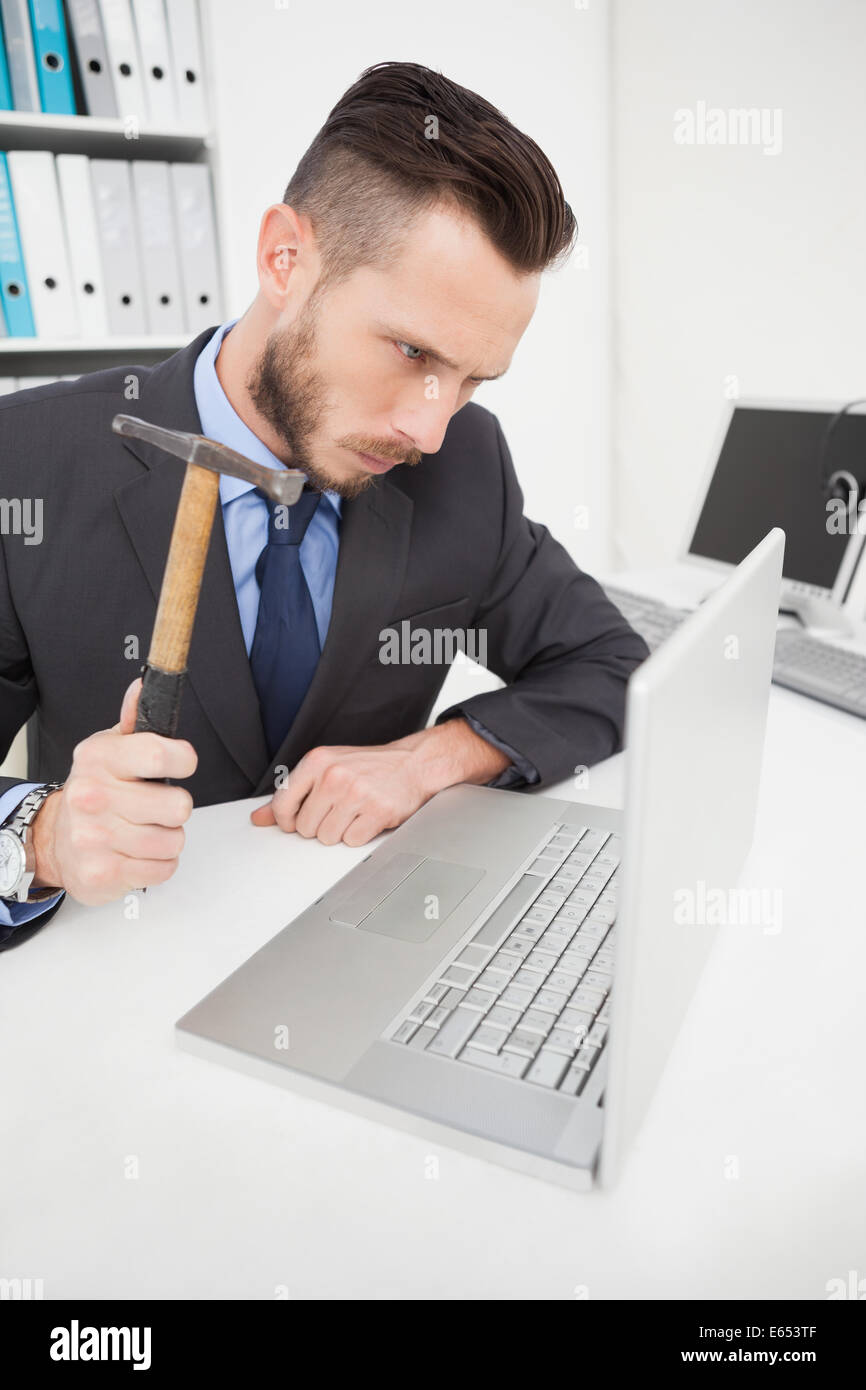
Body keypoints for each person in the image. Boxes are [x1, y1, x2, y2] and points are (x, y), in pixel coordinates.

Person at [0, 61, 648, 948]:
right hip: (110, 973)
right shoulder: (27, 464)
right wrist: (42, 837)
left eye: (469, 378)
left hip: (363, 962)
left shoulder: (466, 466)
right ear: (284, 259)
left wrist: (431, 759)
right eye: (412, 350)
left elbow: (612, 667)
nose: (430, 428)